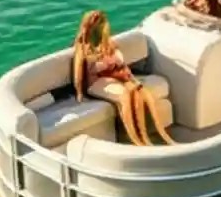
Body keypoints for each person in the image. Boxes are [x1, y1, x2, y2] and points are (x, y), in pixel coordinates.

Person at [72, 10, 174, 147]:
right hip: (95, 83)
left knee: (142, 93)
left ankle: (158, 135)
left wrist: (132, 79)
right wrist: (79, 94)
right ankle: (136, 140)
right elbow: (78, 73)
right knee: (125, 95)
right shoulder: (83, 48)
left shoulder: (108, 43)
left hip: (115, 79)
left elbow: (122, 65)